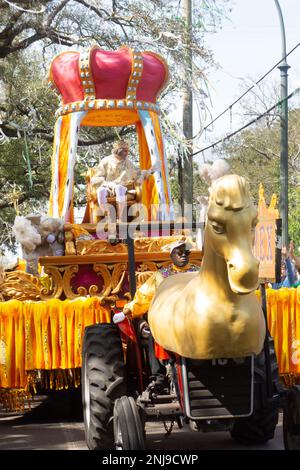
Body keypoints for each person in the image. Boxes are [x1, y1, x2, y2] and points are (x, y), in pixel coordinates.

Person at [123, 240, 200, 390]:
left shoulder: (199, 272)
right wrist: (129, 310)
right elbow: (144, 296)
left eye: (187, 252)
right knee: (154, 331)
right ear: (171, 255)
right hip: (168, 319)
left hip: (196, 317)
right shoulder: (161, 275)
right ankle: (158, 376)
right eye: (179, 252)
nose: (184, 255)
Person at [91, 140, 160, 210]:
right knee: (100, 191)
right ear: (118, 150)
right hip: (107, 188)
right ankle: (107, 216)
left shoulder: (128, 163)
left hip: (122, 188)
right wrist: (109, 184)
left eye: (128, 151)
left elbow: (138, 174)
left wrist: (150, 171)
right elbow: (97, 178)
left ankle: (120, 218)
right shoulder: (106, 160)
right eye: (125, 151)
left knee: (119, 188)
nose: (127, 153)